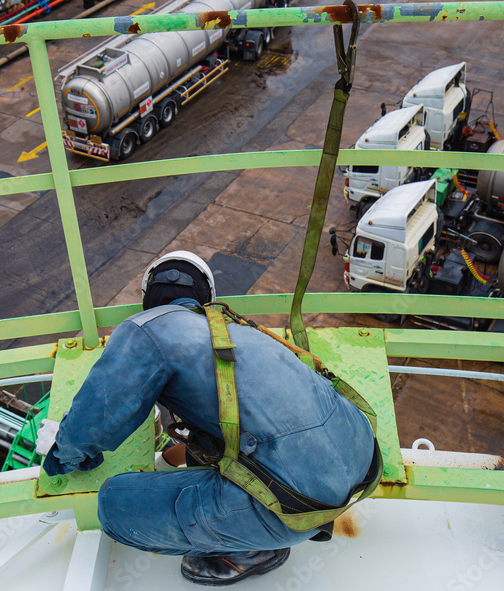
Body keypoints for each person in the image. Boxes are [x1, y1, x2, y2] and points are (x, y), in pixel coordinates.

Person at [36, 251, 379, 586]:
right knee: (210, 435)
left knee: (114, 505)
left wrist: (63, 451)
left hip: (298, 503)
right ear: (206, 301)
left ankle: (251, 552)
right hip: (359, 452)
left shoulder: (143, 331)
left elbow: (95, 421)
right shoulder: (236, 330)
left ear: (147, 303)